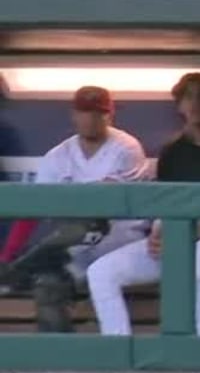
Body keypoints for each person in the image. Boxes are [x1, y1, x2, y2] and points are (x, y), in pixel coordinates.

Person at [86, 73, 200, 337]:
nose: (196, 102)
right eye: (188, 96)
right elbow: (165, 207)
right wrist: (159, 235)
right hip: (182, 237)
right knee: (101, 271)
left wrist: (190, 234)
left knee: (199, 260)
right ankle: (119, 348)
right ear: (179, 105)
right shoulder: (173, 151)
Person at [0, 86, 149, 332]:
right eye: (85, 112)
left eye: (98, 113)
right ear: (74, 115)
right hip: (76, 253)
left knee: (88, 223)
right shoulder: (58, 156)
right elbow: (32, 211)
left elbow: (103, 203)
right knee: (48, 283)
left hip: (121, 247)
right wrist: (7, 255)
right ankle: (58, 354)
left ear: (110, 116)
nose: (91, 119)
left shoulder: (126, 147)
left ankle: (25, 265)